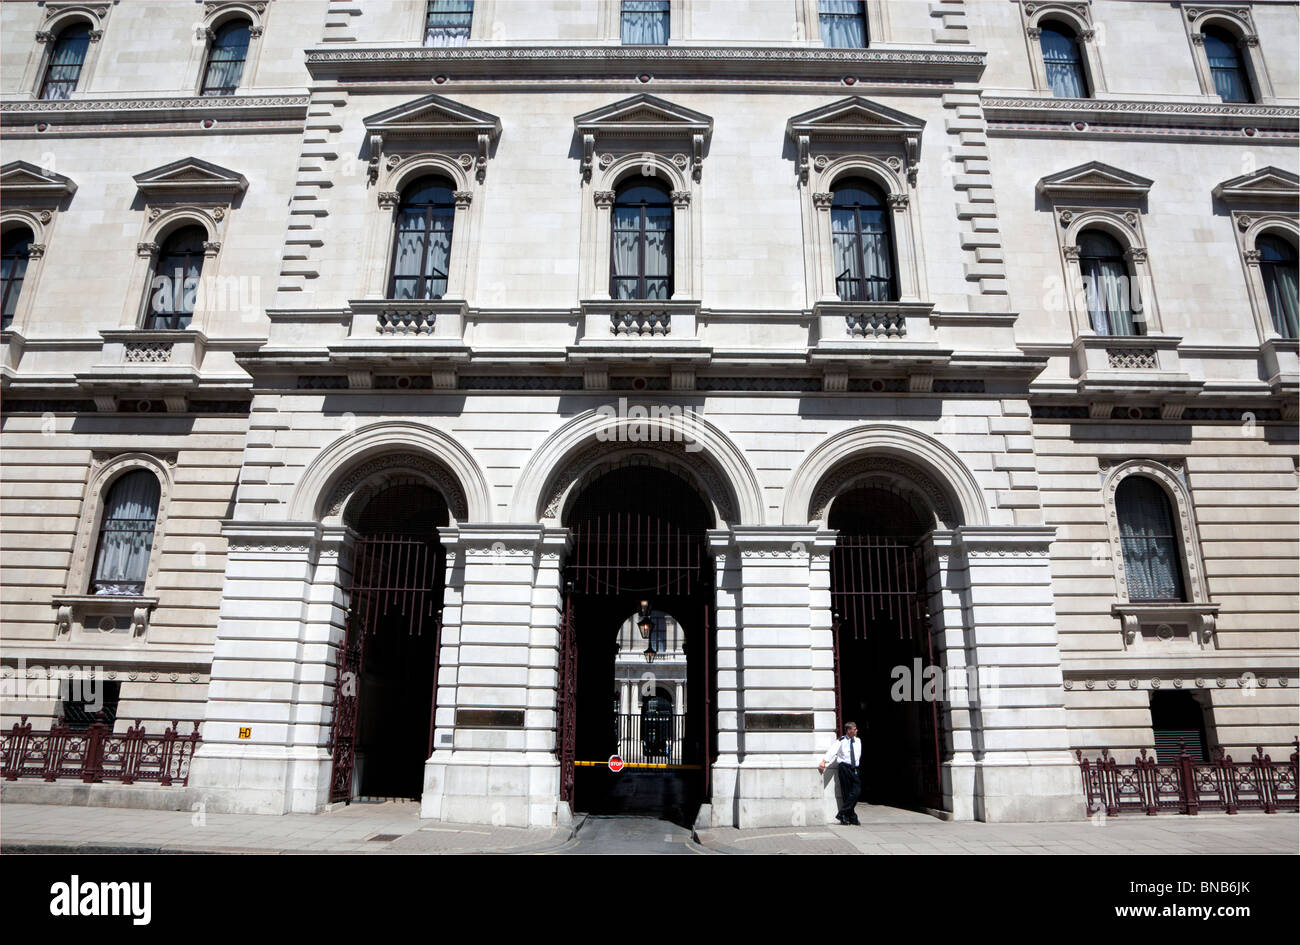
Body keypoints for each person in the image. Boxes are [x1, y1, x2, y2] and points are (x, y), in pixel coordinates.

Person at [819, 721, 862, 825]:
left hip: (854, 768)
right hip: (844, 768)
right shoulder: (841, 741)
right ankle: (850, 816)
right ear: (848, 730)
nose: (856, 731)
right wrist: (824, 761)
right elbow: (832, 751)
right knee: (846, 793)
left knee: (857, 791)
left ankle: (842, 813)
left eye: (856, 729)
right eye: (854, 729)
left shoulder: (858, 740)